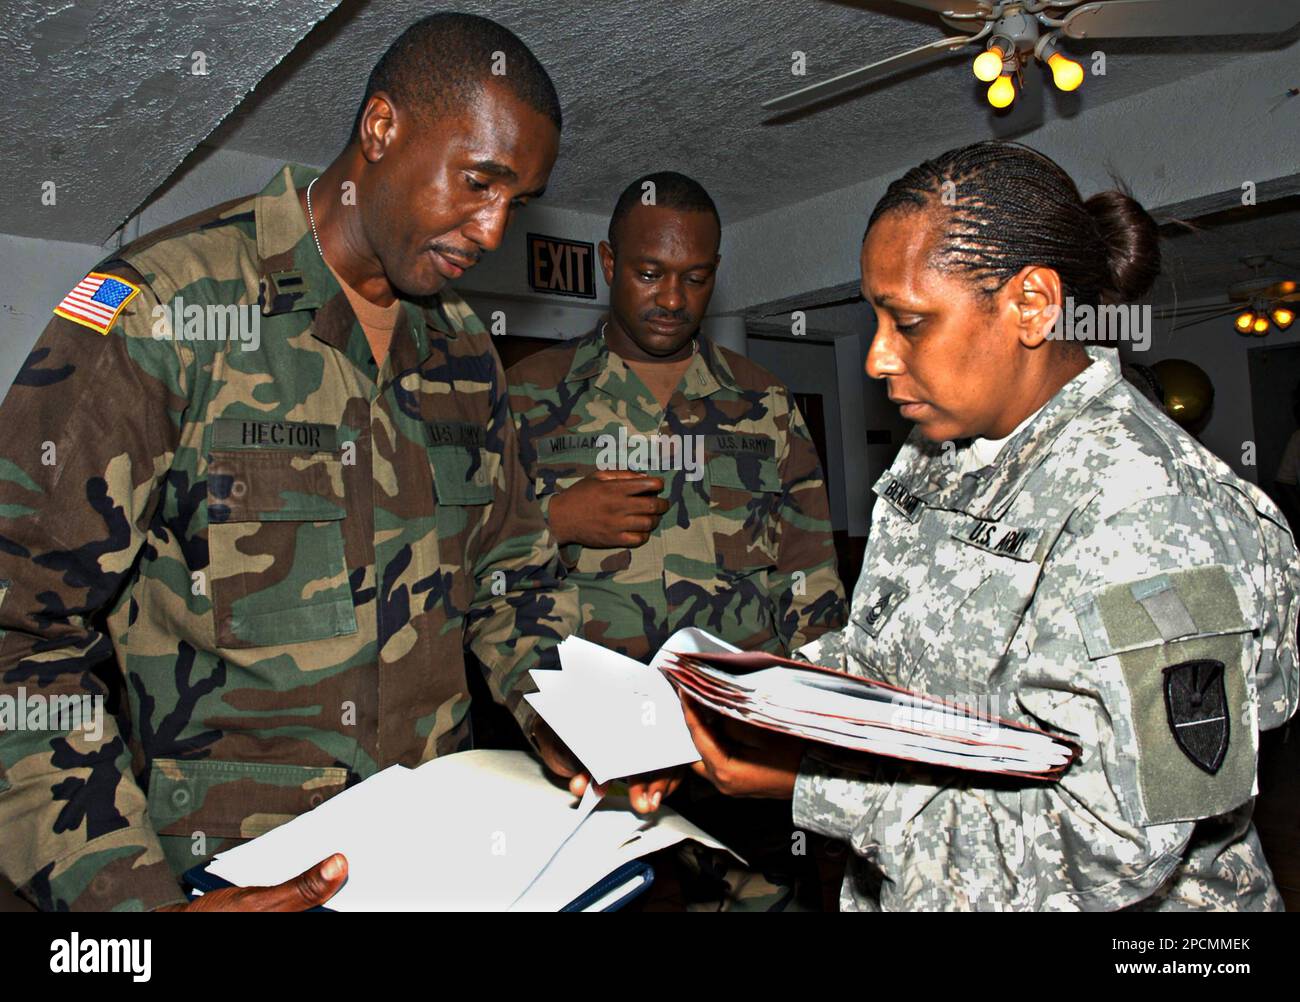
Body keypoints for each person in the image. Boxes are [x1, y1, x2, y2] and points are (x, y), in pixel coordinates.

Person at [0, 13, 584, 912]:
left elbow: (512, 574)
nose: (494, 230)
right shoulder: (165, 310)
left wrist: (564, 720)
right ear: (382, 129)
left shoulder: (465, 351)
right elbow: (20, 642)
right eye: (478, 183)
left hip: (447, 866)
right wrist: (132, 909)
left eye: (519, 201)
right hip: (222, 878)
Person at [680, 140, 1300, 911]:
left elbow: (1112, 848)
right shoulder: (937, 453)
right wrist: (759, 699)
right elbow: (898, 654)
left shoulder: (1159, 513)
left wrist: (817, 787)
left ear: (1033, 305)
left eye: (907, 322)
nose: (876, 357)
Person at [507, 171, 846, 908]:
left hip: (741, 766)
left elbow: (810, 582)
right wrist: (555, 521)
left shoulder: (764, 403)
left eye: (693, 278)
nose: (671, 299)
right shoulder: (530, 397)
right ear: (607, 265)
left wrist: (810, 736)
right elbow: (476, 570)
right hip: (589, 766)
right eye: (649, 273)